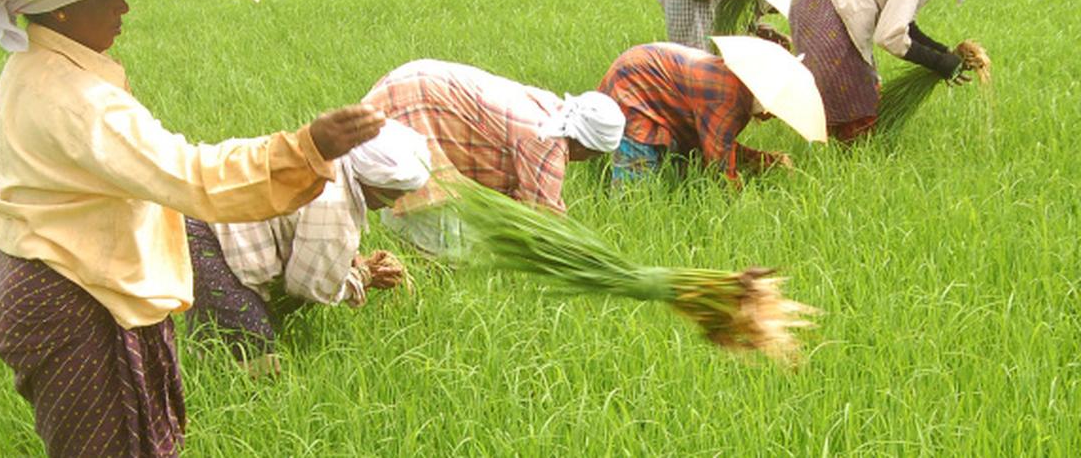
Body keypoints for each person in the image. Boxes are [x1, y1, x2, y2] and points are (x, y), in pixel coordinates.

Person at [0, 0, 385, 457]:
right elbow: (192, 176)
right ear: (61, 8)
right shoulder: (78, 100)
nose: (123, 7)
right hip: (78, 296)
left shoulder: (34, 65)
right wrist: (304, 148)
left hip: (62, 281)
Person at [184, 121, 431, 374]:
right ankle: (233, 391)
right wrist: (364, 275)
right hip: (204, 230)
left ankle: (206, 368)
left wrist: (350, 260)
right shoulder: (333, 205)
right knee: (252, 344)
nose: (393, 204)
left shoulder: (328, 159)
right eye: (394, 194)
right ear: (374, 181)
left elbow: (302, 232)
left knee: (227, 326)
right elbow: (307, 286)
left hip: (197, 201)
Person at [361, 59, 625, 255]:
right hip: (414, 107)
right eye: (592, 156)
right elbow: (546, 221)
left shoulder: (552, 108)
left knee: (439, 223)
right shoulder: (546, 140)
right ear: (586, 146)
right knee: (442, 245)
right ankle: (419, 298)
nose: (584, 161)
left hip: (407, 88)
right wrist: (588, 262)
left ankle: (407, 280)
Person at [789, 0, 983, 142]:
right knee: (853, 96)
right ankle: (850, 159)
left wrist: (943, 53)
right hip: (823, 2)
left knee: (858, 91)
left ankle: (846, 156)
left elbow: (904, 25)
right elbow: (890, 36)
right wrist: (939, 62)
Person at [597, 42, 791, 187]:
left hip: (641, 69)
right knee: (637, 185)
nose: (772, 117)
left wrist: (766, 162)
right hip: (634, 85)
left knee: (681, 166)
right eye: (775, 109)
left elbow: (713, 142)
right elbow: (719, 162)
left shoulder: (737, 83)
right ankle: (628, 224)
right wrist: (740, 203)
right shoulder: (727, 97)